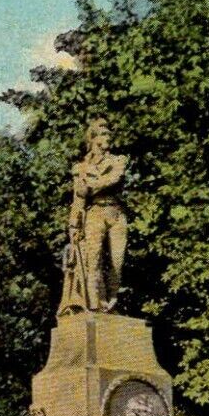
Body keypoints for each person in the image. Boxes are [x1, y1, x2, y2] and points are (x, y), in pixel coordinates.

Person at [67, 118, 128, 312]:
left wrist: (89, 187)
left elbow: (114, 178)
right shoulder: (81, 168)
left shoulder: (118, 160)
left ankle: (113, 299)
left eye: (109, 134)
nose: (108, 137)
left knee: (117, 261)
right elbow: (77, 200)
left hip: (116, 213)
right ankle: (95, 304)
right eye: (103, 134)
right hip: (94, 214)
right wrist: (73, 225)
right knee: (93, 260)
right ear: (93, 139)